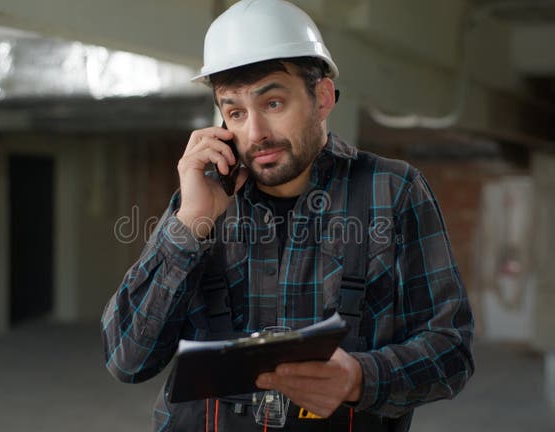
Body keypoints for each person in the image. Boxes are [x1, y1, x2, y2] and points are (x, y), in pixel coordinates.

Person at [101, 0, 474, 430]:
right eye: (236, 112)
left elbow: (451, 349)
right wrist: (190, 224)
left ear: (323, 98)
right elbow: (127, 359)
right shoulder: (201, 201)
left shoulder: (392, 191)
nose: (255, 133)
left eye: (273, 103)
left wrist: (359, 377)